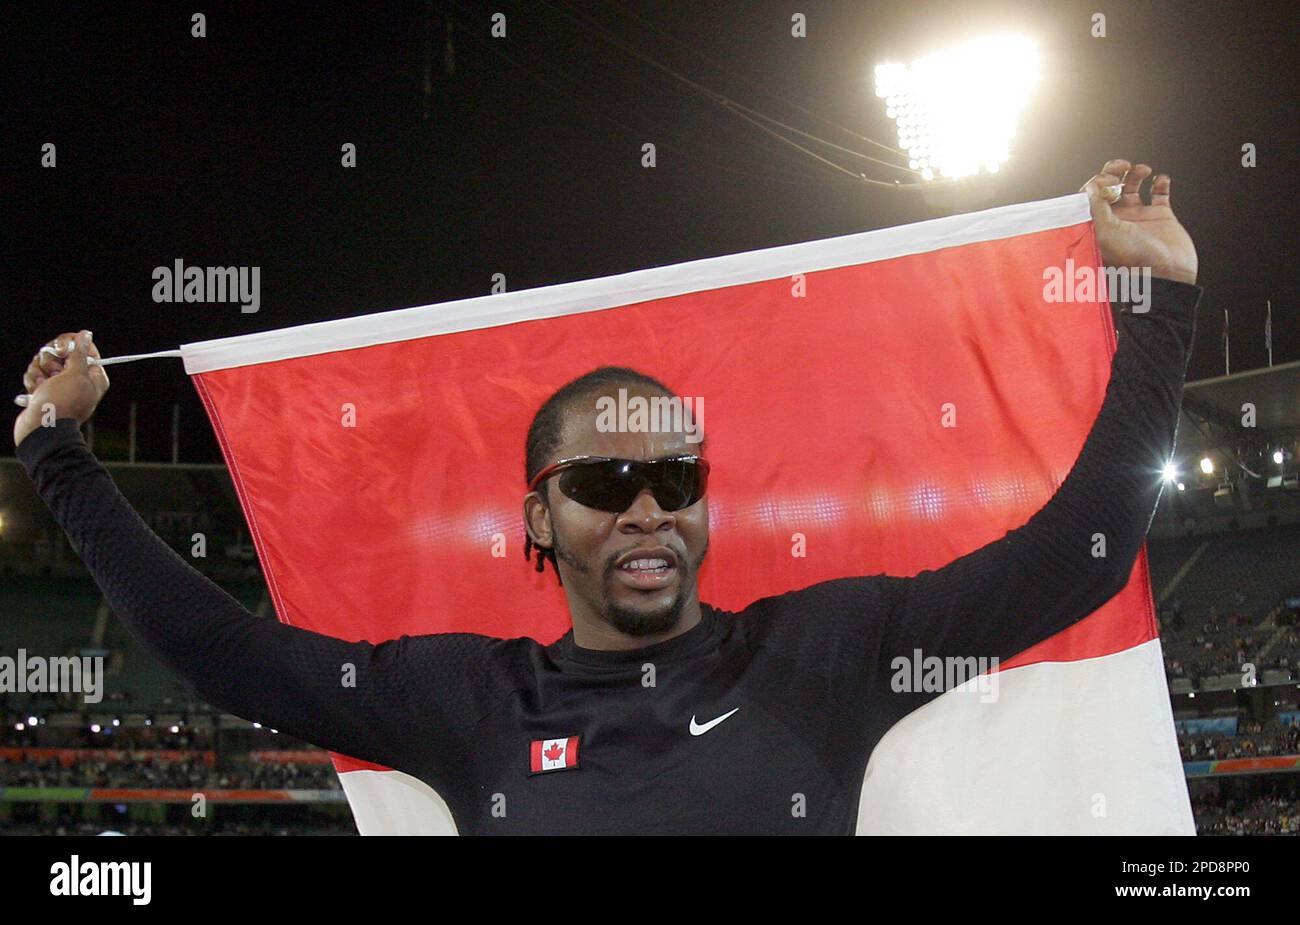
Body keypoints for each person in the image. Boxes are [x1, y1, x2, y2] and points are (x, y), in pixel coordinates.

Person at [14, 159, 1200, 834]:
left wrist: (1152, 307)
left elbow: (1074, 558)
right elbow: (220, 649)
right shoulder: (460, 698)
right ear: (537, 517)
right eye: (600, 481)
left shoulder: (824, 650)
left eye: (673, 478)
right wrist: (58, 455)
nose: (644, 508)